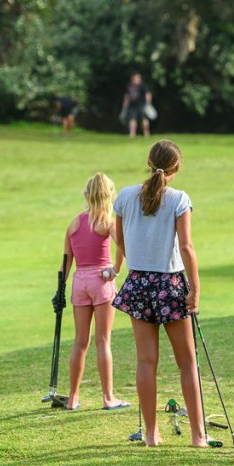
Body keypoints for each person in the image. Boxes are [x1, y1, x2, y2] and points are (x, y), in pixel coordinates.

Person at [111, 140, 213, 447]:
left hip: (138, 281)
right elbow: (187, 247)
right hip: (169, 284)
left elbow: (119, 237)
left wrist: (134, 261)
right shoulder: (179, 199)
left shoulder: (126, 196)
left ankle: (151, 434)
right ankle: (198, 435)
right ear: (176, 168)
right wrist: (195, 289)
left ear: (148, 161)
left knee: (146, 361)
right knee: (187, 363)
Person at [62, 173, 129, 411]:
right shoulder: (108, 223)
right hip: (101, 282)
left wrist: (60, 290)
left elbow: (66, 261)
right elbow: (123, 246)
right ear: (109, 195)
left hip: (79, 282)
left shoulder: (74, 223)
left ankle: (73, 398)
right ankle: (108, 397)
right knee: (103, 341)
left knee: (80, 342)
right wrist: (116, 270)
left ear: (87, 195)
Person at [121, 73, 153, 138]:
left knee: (144, 120)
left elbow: (148, 94)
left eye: (137, 78)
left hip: (142, 105)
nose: (136, 80)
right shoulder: (129, 86)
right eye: (134, 78)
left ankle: (146, 134)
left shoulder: (143, 86)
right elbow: (127, 96)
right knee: (132, 119)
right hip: (132, 106)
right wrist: (124, 106)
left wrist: (148, 104)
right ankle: (132, 134)